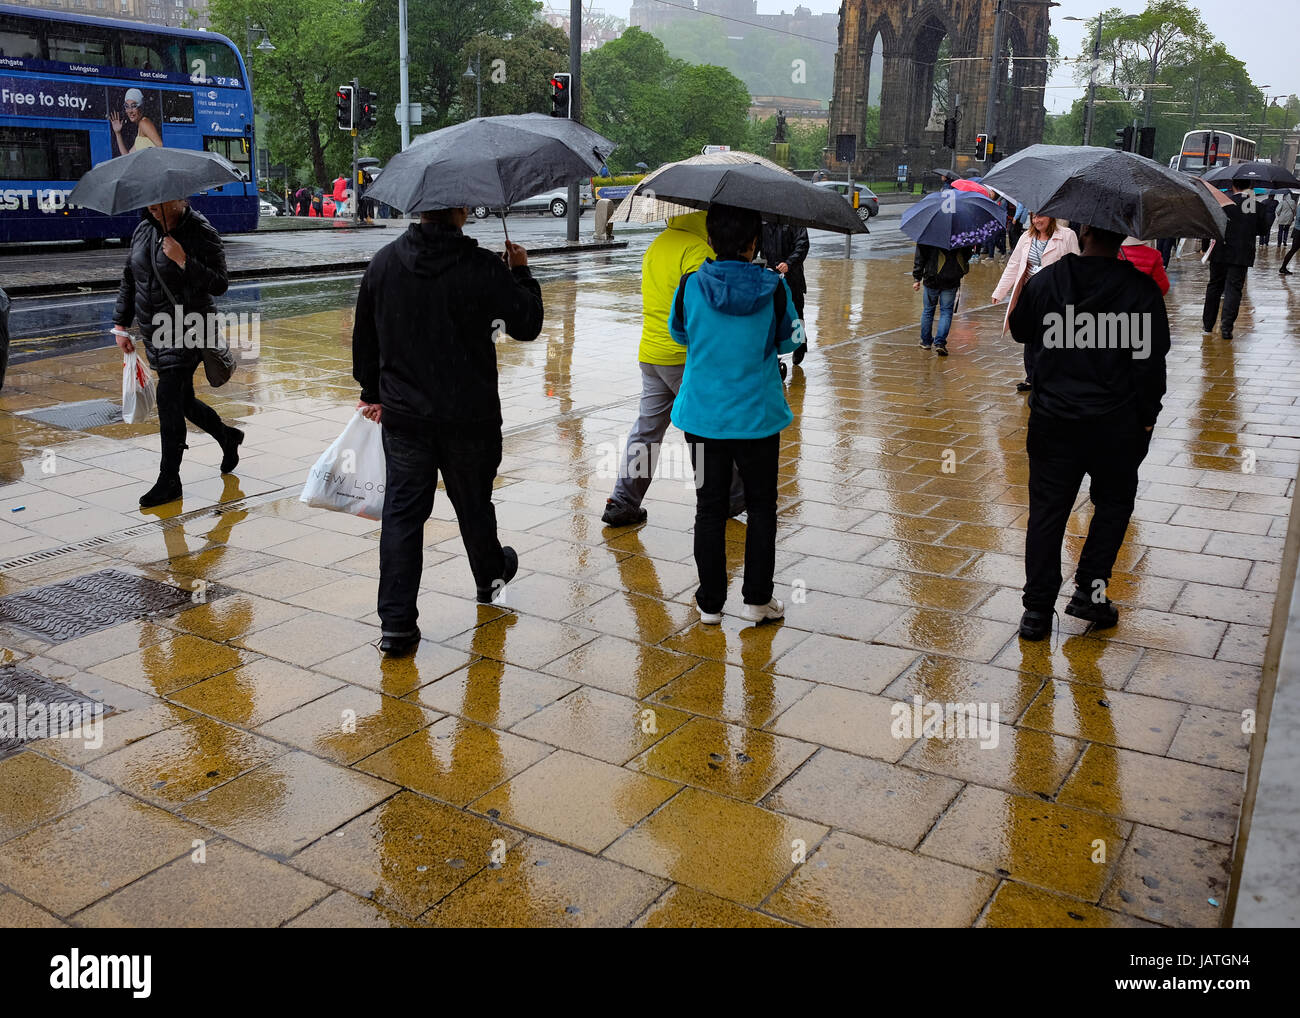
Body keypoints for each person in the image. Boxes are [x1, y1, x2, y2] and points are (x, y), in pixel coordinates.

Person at [351, 206, 543, 656]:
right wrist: (521, 272)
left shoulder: (383, 263)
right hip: (468, 416)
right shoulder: (481, 268)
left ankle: (397, 627)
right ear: (459, 211)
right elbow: (527, 324)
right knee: (474, 503)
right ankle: (490, 577)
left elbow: (365, 340)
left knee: (403, 516)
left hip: (405, 418)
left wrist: (372, 390)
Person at [1009, 224, 1170, 641]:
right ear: (1123, 239)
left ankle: (1036, 613)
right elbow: (1149, 364)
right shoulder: (1141, 291)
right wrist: (1148, 417)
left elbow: (1022, 330)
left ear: (1082, 233)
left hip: (1053, 420)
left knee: (1048, 511)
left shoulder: (1050, 280)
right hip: (1116, 425)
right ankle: (1090, 592)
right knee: (1113, 506)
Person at [669, 203, 798, 625]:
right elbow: (791, 341)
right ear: (754, 241)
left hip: (704, 418)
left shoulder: (690, 285)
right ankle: (758, 600)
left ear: (710, 239)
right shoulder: (774, 287)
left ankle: (709, 603)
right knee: (761, 506)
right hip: (757, 418)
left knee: (709, 506)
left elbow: (679, 333)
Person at [601, 211, 745, 527]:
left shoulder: (658, 245)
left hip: (652, 353)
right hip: (683, 356)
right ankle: (732, 497)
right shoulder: (697, 251)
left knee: (647, 431)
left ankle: (623, 501)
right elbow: (704, 308)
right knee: (708, 426)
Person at [112, 198, 242, 508]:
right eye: (150, 205)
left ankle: (169, 479)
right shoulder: (144, 229)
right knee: (182, 400)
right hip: (155, 329)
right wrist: (120, 324)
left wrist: (184, 260)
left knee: (168, 396)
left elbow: (220, 283)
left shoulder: (200, 230)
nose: (152, 208)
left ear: (178, 200)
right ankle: (227, 437)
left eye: (159, 204)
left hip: (188, 325)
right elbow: (131, 277)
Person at [992, 213, 1080, 391]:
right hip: (1030, 295)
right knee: (1030, 337)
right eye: (1033, 217)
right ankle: (1031, 377)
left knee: (1051, 336)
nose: (1036, 221)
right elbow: (1014, 264)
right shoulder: (1027, 237)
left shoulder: (1067, 235)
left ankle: (1050, 375)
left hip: (1055, 296)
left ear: (1051, 217)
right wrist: (1000, 291)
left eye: (1040, 217)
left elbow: (1076, 266)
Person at [1202, 178, 1258, 340]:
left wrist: (1205, 248)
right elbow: (1262, 228)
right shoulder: (1253, 205)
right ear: (1250, 186)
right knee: (1233, 290)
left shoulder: (1223, 203)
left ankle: (1208, 324)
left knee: (1214, 286)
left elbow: (1210, 226)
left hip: (1220, 251)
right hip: (1241, 254)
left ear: (1233, 186)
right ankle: (1226, 328)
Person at [758, 220, 810, 367]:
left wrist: (789, 263)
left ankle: (800, 344)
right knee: (772, 313)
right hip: (770, 275)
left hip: (792, 276)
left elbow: (803, 244)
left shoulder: (794, 221)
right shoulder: (762, 222)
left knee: (797, 312)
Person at [911, 241, 973, 356]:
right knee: (946, 311)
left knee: (928, 310)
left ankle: (926, 341)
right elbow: (967, 255)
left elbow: (920, 257)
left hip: (931, 277)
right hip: (951, 278)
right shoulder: (961, 234)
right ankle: (940, 343)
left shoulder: (928, 234)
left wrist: (916, 278)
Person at [109, 87, 162, 158]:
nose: (130, 111)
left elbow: (161, 147)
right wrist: (118, 133)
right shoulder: (139, 134)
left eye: (134, 106)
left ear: (140, 107)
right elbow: (127, 157)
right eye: (127, 106)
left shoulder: (144, 123)